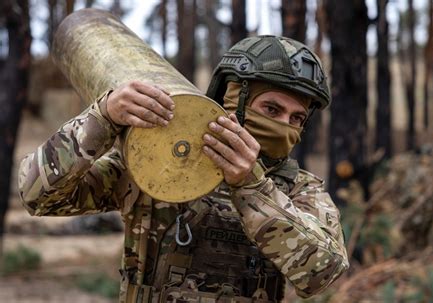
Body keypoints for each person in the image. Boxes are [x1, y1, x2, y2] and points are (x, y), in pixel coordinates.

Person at [18, 35, 349, 302]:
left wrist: (252, 187)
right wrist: (101, 119)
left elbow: (321, 274)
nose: (284, 127)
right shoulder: (158, 161)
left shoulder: (300, 189)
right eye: (272, 109)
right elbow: (37, 194)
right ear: (232, 98)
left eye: (296, 119)